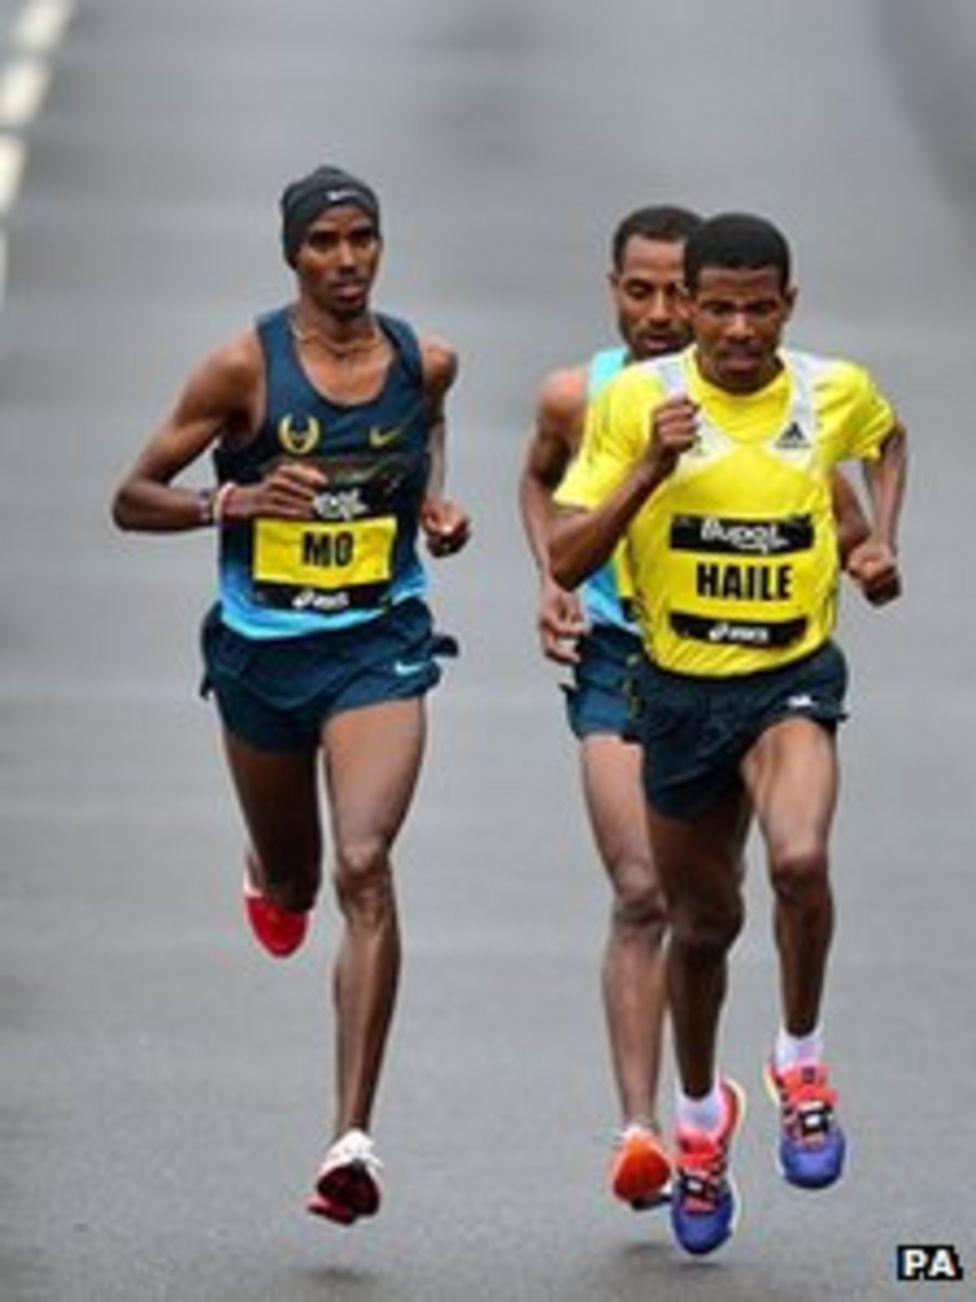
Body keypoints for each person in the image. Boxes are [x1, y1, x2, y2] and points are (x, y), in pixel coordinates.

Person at [111, 164, 470, 1227]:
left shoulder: (423, 359)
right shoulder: (242, 369)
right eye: (325, 244)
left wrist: (433, 509)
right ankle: (271, 873)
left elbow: (425, 439)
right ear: (292, 256)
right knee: (303, 881)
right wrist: (235, 500)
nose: (347, 260)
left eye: (363, 239)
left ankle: (348, 1138)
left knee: (367, 862)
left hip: (379, 644)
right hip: (263, 653)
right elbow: (130, 499)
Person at [550, 212, 905, 1257]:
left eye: (760, 308)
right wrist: (642, 477)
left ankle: (802, 1062)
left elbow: (887, 439)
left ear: (787, 307)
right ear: (688, 308)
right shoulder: (631, 402)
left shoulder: (828, 391)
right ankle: (699, 1126)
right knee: (700, 933)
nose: (739, 328)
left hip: (789, 679)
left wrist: (878, 540)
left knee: (799, 859)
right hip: (675, 696)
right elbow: (569, 559)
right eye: (719, 308)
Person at [519, 205, 702, 1211]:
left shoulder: (751, 397)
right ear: (613, 290)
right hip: (616, 660)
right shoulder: (573, 397)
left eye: (680, 291)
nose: (661, 312)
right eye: (640, 290)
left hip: (723, 673)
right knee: (642, 891)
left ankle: (706, 1094)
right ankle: (640, 1131)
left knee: (705, 908)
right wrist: (552, 582)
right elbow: (539, 483)